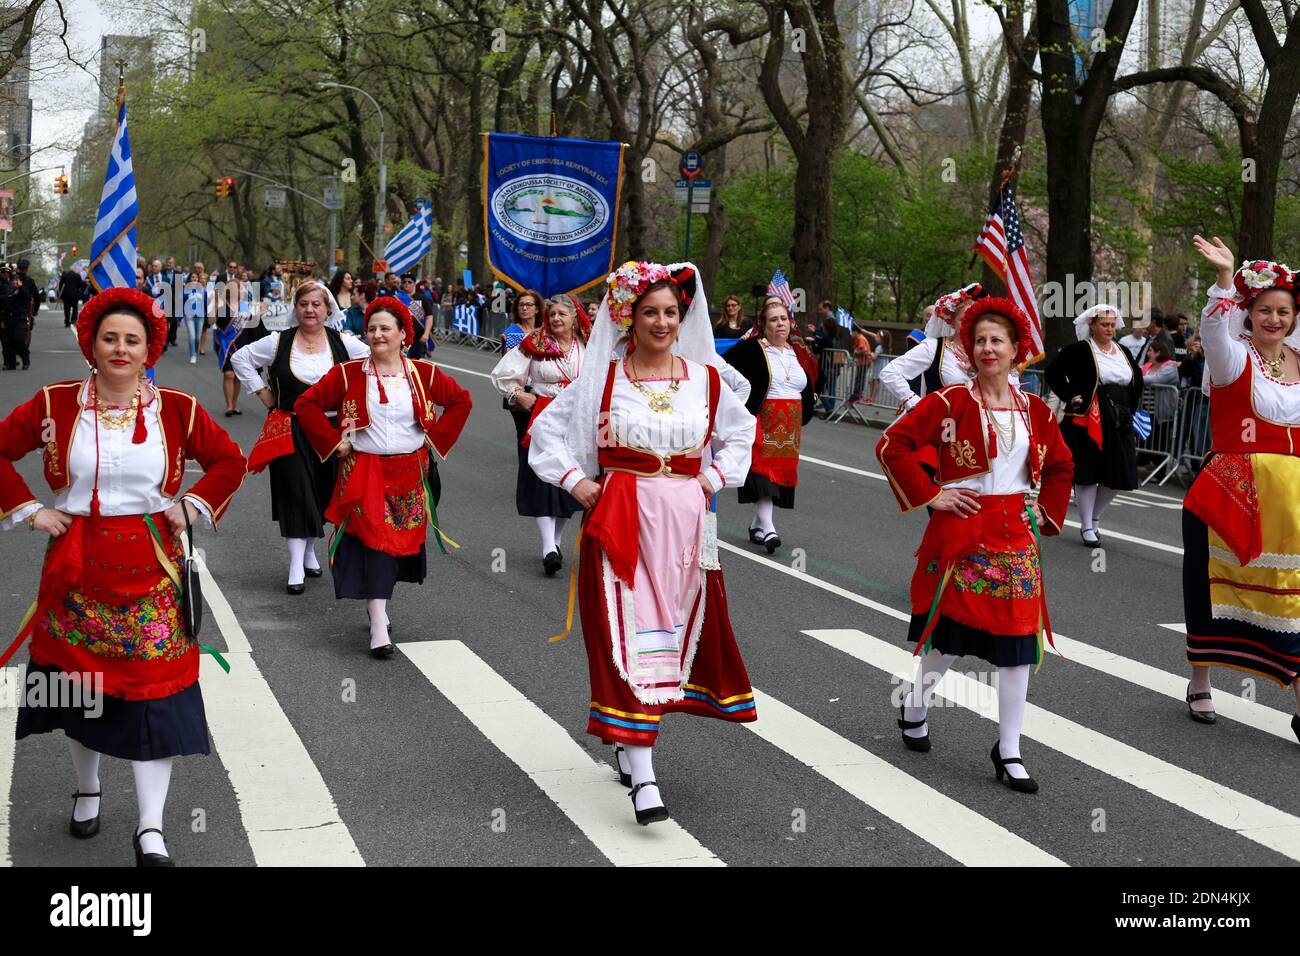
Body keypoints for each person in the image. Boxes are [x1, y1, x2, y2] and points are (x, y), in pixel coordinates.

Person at [0, 287, 245, 865]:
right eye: (109, 337)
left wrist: (190, 506)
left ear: (147, 348)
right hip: (76, 565)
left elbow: (230, 461)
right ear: (91, 342)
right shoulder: (54, 403)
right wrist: (32, 510)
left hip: (152, 568)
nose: (119, 348)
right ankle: (87, 790)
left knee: (152, 696)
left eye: (131, 340)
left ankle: (150, 826)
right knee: (79, 687)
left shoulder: (179, 408)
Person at [528, 260, 758, 825]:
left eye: (670, 313)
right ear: (629, 316)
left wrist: (711, 477)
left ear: (683, 319)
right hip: (621, 517)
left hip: (685, 522)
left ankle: (633, 749)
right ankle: (645, 775)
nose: (660, 322)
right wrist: (579, 483)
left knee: (669, 638)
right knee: (624, 635)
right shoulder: (602, 380)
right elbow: (545, 432)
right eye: (649, 311)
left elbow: (742, 432)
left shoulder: (706, 380)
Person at [876, 296, 1073, 792]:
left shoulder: (1034, 411)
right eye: (980, 340)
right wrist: (933, 494)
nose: (988, 348)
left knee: (1020, 646)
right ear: (970, 349)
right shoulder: (950, 403)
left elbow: (1062, 465)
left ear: (1016, 350)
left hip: (1017, 536)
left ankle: (1009, 748)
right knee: (950, 638)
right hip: (964, 531)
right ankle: (916, 703)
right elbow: (892, 445)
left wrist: (1045, 511)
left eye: (997, 340)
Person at [296, 296, 471, 655]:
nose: (377, 334)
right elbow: (306, 404)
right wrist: (335, 444)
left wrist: (434, 441)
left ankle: (379, 607)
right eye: (372, 328)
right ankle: (378, 625)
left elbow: (461, 401)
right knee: (373, 545)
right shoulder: (348, 373)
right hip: (365, 472)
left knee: (394, 549)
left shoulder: (423, 374)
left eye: (385, 328)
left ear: (403, 334)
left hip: (409, 473)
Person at [1182, 236, 1300, 739]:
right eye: (1265, 310)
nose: (1275, 319)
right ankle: (1200, 678)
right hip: (1236, 491)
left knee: (1294, 597)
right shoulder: (1232, 358)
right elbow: (1212, 328)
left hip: (1292, 501)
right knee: (1212, 586)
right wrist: (1228, 278)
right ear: (1248, 312)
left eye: (1284, 311)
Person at [232, 280, 370, 593]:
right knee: (296, 492)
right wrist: (263, 392)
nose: (310, 310)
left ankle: (309, 551)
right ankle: (296, 566)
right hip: (290, 427)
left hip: (331, 432)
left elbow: (374, 361)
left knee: (322, 493)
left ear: (327, 309)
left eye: (316, 305)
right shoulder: (278, 341)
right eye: (304, 304)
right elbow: (240, 359)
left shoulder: (344, 343)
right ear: (296, 308)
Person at [490, 294, 591, 575]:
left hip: (577, 420)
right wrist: (516, 394)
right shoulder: (534, 343)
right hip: (544, 415)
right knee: (543, 478)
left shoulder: (589, 346)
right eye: (553, 314)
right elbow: (503, 373)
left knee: (570, 482)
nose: (556, 319)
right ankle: (548, 546)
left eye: (562, 314)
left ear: (574, 317)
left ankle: (556, 541)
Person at [724, 295, 819, 552]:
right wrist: (738, 403)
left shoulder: (798, 352)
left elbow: (809, 386)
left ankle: (757, 525)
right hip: (762, 419)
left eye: (784, 319)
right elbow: (723, 366)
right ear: (763, 325)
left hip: (790, 425)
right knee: (762, 474)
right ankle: (769, 530)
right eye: (774, 320)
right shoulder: (752, 349)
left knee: (775, 480)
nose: (780, 324)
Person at [1045, 303, 1143, 546]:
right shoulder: (1080, 350)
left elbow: (1136, 380)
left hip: (1119, 416)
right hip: (1089, 415)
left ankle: (1096, 518)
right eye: (1104, 324)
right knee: (1088, 470)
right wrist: (1070, 395)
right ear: (1092, 325)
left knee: (1120, 472)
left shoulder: (1123, 351)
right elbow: (1053, 372)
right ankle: (1087, 524)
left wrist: (1131, 408)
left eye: (1112, 325)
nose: (1109, 329)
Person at [879, 283, 986, 412]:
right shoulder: (934, 347)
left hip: (978, 426)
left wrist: (976, 370)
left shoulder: (987, 351)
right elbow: (889, 372)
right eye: (963, 319)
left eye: (974, 319)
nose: (969, 324)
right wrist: (916, 404)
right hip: (943, 427)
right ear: (951, 322)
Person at [1141, 338, 1179, 451]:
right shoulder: (1147, 366)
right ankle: (1145, 461)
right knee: (1146, 439)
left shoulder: (1171, 367)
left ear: (1158, 353)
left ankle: (1160, 465)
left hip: (1162, 413)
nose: (1148, 353)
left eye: (1150, 351)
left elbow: (1157, 380)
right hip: (1146, 411)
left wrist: (1138, 378)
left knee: (1160, 441)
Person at [181, 269, 208, 365]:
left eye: (196, 277)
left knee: (197, 337)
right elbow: (182, 301)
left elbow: (206, 303)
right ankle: (193, 355)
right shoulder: (186, 289)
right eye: (192, 277)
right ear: (189, 279)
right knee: (192, 336)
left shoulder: (202, 289)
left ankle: (195, 351)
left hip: (200, 315)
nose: (194, 279)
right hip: (189, 315)